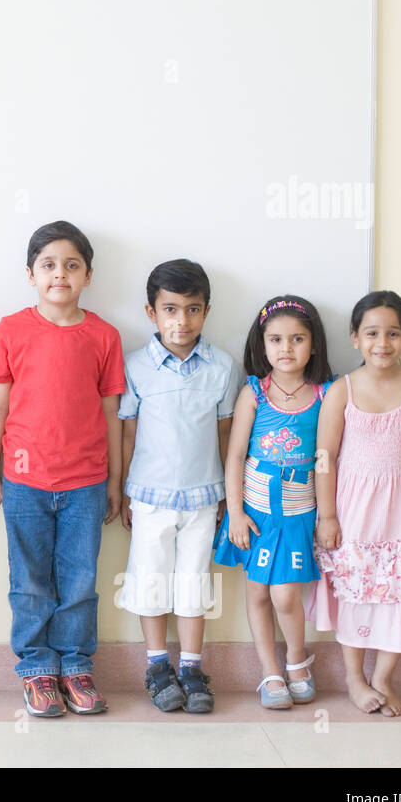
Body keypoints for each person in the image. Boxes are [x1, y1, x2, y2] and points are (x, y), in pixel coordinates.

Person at [0, 221, 124, 717]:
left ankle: (76, 666)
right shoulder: (11, 329)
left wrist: (115, 482)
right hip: (23, 481)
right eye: (48, 265)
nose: (59, 274)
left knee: (81, 578)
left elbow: (111, 414)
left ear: (86, 275)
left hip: (87, 482)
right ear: (30, 274)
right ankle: (37, 668)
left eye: (71, 265)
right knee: (30, 580)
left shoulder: (104, 335)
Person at [312, 291, 401, 716]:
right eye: (372, 333)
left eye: (393, 333)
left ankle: (382, 677)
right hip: (354, 514)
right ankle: (355, 678)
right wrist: (327, 515)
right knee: (356, 593)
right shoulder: (341, 391)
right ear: (355, 338)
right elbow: (325, 457)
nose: (383, 342)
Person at [118, 259, 238, 713]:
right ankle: (157, 665)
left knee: (193, 582)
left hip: (205, 497)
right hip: (149, 496)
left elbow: (226, 434)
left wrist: (230, 493)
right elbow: (127, 432)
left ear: (206, 311)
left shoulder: (222, 367)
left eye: (192, 309)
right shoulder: (137, 367)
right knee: (150, 580)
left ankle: (191, 666)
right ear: (151, 312)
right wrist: (123, 489)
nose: (181, 321)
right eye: (170, 309)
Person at [213, 295, 333, 709]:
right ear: (261, 345)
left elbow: (328, 455)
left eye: (297, 339)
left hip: (300, 511)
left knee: (285, 595)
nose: (286, 348)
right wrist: (235, 513)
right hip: (255, 510)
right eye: (276, 339)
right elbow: (235, 456)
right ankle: (270, 672)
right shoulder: (253, 393)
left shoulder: (325, 394)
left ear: (313, 344)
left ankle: (297, 661)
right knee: (259, 592)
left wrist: (328, 513)